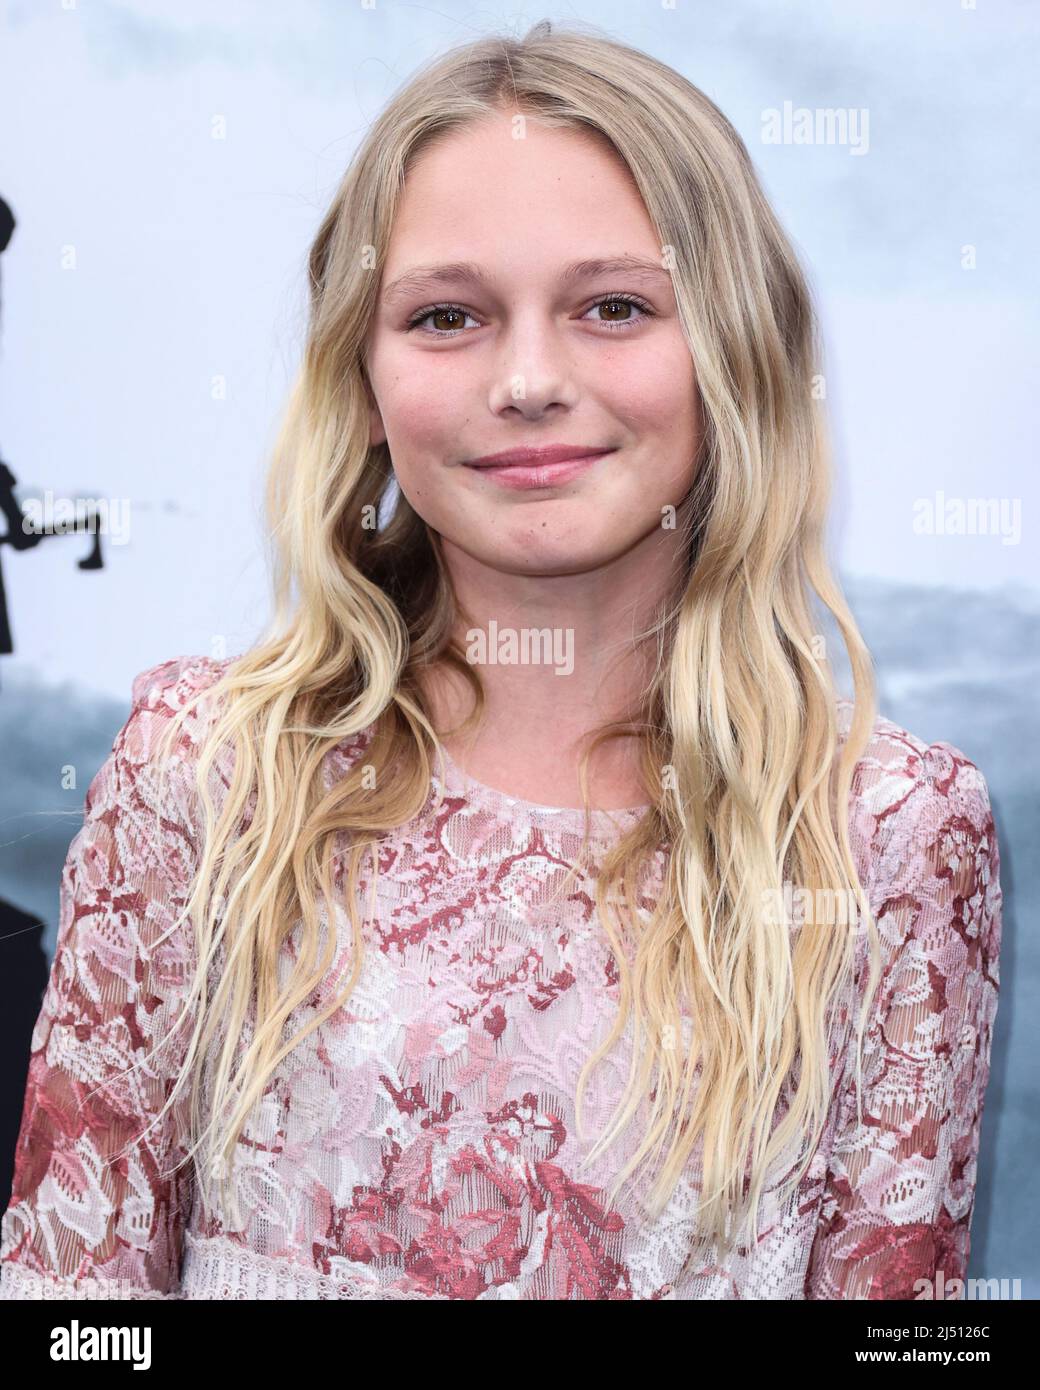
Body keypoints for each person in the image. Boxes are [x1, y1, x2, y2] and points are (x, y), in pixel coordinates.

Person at [0, 21, 1002, 1301]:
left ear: (734, 349)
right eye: (447, 315)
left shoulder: (890, 838)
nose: (528, 379)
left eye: (613, 306)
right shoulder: (206, 776)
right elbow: (70, 1320)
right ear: (363, 378)